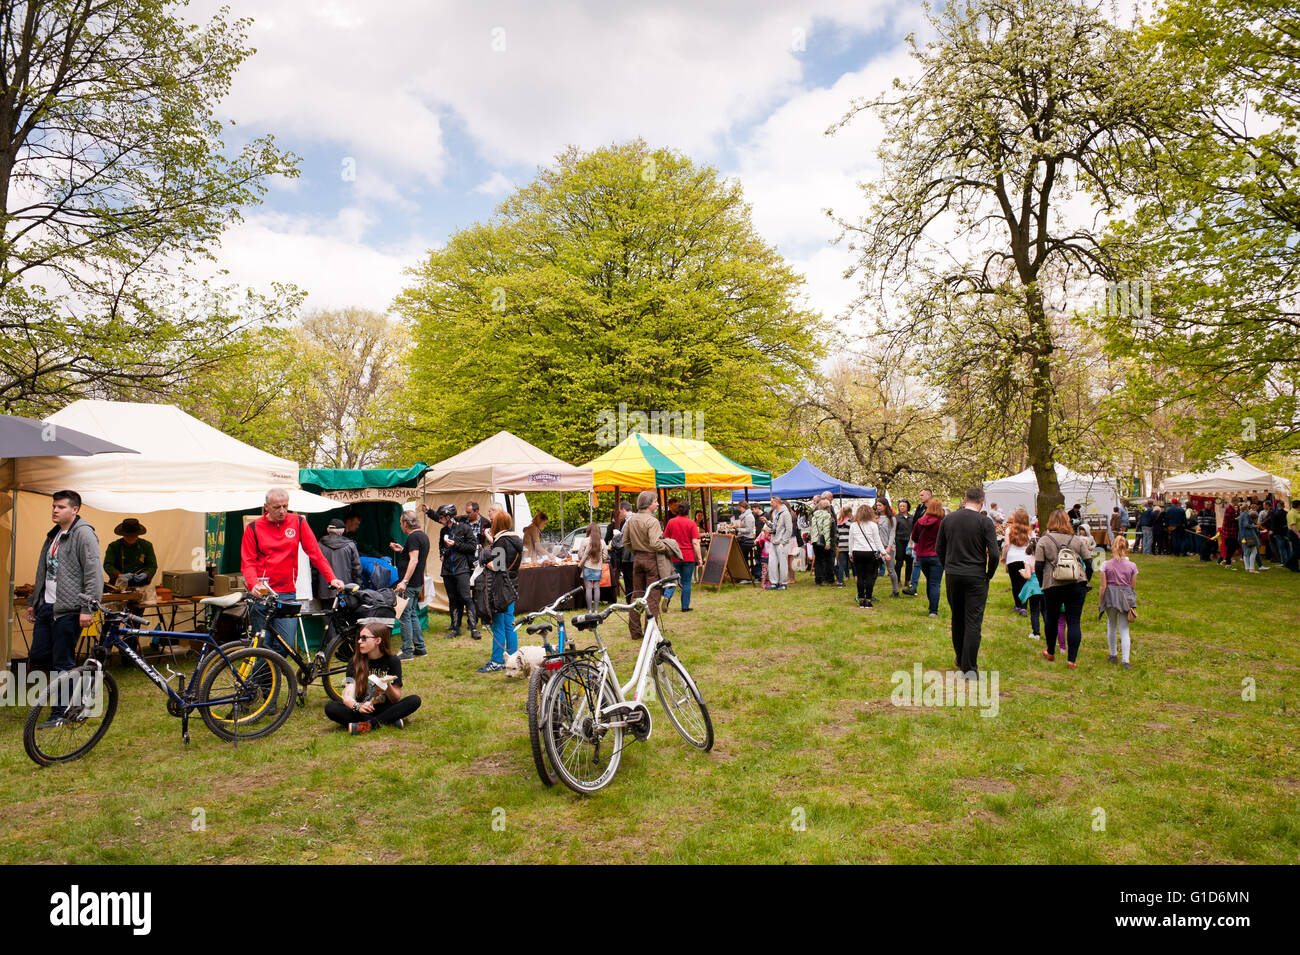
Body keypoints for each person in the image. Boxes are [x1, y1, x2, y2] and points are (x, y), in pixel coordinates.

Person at [27, 491, 102, 725]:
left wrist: (87, 608)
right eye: (53, 506)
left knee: (63, 662)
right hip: (48, 606)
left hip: (69, 608)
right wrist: (34, 602)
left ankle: (61, 713)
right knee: (39, 655)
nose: (55, 510)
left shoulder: (84, 534)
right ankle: (78, 694)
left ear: (75, 510)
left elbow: (93, 573)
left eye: (60, 507)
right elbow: (44, 571)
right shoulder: (55, 535)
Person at [241, 488, 343, 647]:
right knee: (261, 646)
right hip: (262, 593)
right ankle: (264, 672)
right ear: (266, 507)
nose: (282, 511)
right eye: (277, 507)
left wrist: (332, 577)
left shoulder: (298, 522)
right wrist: (253, 584)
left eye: (285, 506)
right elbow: (248, 561)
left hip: (286, 591)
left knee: (286, 644)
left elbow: (315, 553)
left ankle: (275, 668)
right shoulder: (253, 528)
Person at [936, 487, 1000, 677]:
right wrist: (989, 573)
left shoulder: (948, 519)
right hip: (976, 575)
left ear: (964, 499)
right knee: (973, 620)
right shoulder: (984, 521)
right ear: (982, 502)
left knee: (958, 616)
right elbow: (994, 553)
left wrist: (947, 566)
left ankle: (960, 657)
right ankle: (969, 666)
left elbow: (939, 548)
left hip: (954, 574)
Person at [323, 623, 421, 733]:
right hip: (363, 709)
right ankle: (388, 721)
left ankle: (367, 725)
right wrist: (357, 706)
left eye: (364, 638)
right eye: (359, 638)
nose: (359, 641)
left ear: (378, 641)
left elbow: (396, 698)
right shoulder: (354, 662)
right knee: (331, 708)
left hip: (385, 708)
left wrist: (387, 686)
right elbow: (347, 697)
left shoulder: (393, 661)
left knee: (414, 700)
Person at [1034, 508, 1092, 669]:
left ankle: (1051, 651)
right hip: (1077, 583)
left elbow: (1038, 565)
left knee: (1051, 618)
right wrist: (1086, 580)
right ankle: (1071, 660)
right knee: (1074, 621)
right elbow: (1089, 563)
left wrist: (1042, 582)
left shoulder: (1044, 541)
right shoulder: (1077, 540)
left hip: (1052, 584)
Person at [477, 509, 524, 672]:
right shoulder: (516, 539)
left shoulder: (501, 541)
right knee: (509, 624)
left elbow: (497, 565)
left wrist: (484, 560)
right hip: (512, 584)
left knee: (498, 624)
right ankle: (513, 658)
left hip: (499, 587)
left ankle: (496, 661)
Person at [624, 490, 672, 640]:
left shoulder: (631, 520)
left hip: (637, 559)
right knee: (652, 597)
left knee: (637, 595)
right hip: (651, 560)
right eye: (656, 501)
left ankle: (635, 631)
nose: (657, 504)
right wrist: (668, 547)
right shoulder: (652, 521)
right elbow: (655, 543)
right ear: (649, 503)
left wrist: (637, 552)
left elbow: (625, 542)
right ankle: (651, 634)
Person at [431, 504, 480, 640]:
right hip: (447, 570)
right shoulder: (443, 531)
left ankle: (473, 627)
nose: (439, 520)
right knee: (452, 599)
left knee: (465, 597)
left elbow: (471, 547)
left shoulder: (464, 528)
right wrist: (441, 553)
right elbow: (441, 545)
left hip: (462, 568)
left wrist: (455, 545)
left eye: (441, 517)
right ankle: (455, 627)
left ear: (448, 517)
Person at [391, 510, 430, 659]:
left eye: (401, 523)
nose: (400, 526)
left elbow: (414, 560)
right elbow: (414, 557)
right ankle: (420, 648)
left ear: (406, 523)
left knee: (404, 616)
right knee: (412, 614)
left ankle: (407, 651)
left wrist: (404, 582)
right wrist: (403, 550)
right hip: (417, 582)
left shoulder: (413, 537)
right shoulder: (422, 536)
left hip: (410, 583)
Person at [1097, 535, 1138, 669]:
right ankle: (1125, 661)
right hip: (1125, 598)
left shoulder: (1105, 565)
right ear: (1126, 549)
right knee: (1124, 629)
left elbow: (1103, 586)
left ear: (1113, 547)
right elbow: (1132, 585)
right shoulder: (1132, 566)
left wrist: (1100, 602)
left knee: (1111, 625)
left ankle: (1113, 654)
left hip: (1110, 598)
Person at [906, 499, 945, 616]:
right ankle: (933, 611)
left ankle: (931, 606)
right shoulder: (941, 523)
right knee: (935, 583)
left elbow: (915, 538)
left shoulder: (919, 521)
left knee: (930, 581)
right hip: (937, 556)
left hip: (922, 556)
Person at [848, 503, 886, 608]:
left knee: (860, 576)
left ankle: (861, 599)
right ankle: (868, 600)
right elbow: (877, 541)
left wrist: (850, 553)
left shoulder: (853, 525)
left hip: (857, 551)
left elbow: (850, 541)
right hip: (870, 552)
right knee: (869, 576)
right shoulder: (873, 525)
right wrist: (884, 553)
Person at [664, 503, 701, 611]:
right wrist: (699, 558)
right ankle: (685, 607)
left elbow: (665, 538)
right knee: (686, 582)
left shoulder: (671, 522)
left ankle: (667, 596)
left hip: (675, 556)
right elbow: (695, 542)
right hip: (688, 556)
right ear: (688, 511)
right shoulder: (691, 523)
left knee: (673, 579)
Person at [103, 518, 157, 588]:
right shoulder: (114, 546)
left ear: (138, 535)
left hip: (141, 585)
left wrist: (146, 574)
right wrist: (119, 575)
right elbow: (108, 565)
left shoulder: (146, 546)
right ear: (123, 534)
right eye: (128, 536)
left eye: (134, 535)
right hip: (118, 585)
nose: (131, 538)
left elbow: (152, 565)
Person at [573, 521, 609, 614]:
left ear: (588, 530)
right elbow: (605, 557)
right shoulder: (602, 541)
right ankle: (596, 609)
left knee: (588, 588)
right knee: (597, 587)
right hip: (598, 567)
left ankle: (589, 610)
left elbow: (580, 555)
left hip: (587, 566)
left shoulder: (584, 541)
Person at [1002, 509, 1033, 617]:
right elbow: (1032, 546)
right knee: (1025, 583)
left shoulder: (1009, 530)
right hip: (1026, 559)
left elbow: (1006, 545)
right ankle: (1024, 607)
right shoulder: (1030, 532)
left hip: (1012, 559)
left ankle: (1018, 605)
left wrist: (1003, 557)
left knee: (1015, 584)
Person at [906, 488, 935, 592]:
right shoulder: (920, 507)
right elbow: (915, 522)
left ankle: (929, 584)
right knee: (917, 561)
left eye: (922, 495)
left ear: (929, 495)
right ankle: (913, 586)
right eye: (920, 495)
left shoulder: (934, 507)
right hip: (919, 537)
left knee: (921, 562)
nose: (920, 497)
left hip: (930, 539)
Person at [604, 500, 634, 599]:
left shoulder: (629, 521)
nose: (620, 515)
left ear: (623, 510)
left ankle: (630, 603)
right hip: (633, 555)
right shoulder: (633, 519)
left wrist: (618, 536)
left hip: (628, 556)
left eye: (620, 512)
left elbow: (626, 540)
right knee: (632, 581)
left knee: (629, 581)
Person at [874, 499, 900, 597]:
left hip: (889, 546)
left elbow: (892, 534)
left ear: (885, 506)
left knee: (890, 569)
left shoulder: (892, 518)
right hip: (877, 547)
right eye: (877, 505)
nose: (878, 507)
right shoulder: (876, 518)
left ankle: (895, 591)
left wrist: (888, 547)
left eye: (880, 505)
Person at [767, 495, 792, 591]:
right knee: (772, 562)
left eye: (772, 502)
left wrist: (783, 542)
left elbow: (789, 529)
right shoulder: (775, 513)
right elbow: (776, 527)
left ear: (777, 502)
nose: (770, 504)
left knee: (783, 563)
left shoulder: (786, 513)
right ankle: (774, 583)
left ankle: (783, 583)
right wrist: (767, 523)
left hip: (781, 542)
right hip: (774, 541)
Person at [811, 498, 835, 586]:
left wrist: (813, 539)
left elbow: (813, 529)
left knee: (818, 560)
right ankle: (830, 579)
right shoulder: (827, 515)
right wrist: (828, 543)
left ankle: (818, 580)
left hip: (815, 540)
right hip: (824, 540)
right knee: (828, 560)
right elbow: (826, 530)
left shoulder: (814, 515)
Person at [734, 500, 757, 583]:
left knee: (744, 558)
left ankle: (747, 577)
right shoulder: (744, 516)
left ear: (744, 507)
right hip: (743, 539)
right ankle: (744, 576)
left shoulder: (749, 517)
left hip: (747, 540)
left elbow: (748, 530)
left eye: (740, 508)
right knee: (743, 558)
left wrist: (737, 528)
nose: (739, 509)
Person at [894, 501, 914, 590]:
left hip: (909, 542)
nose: (902, 507)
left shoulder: (912, 517)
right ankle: (898, 580)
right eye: (900, 506)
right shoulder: (896, 518)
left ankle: (907, 580)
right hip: (899, 542)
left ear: (907, 507)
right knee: (899, 562)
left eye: (903, 506)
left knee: (909, 562)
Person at [1239, 507, 1262, 573]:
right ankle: (1251, 568)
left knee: (1246, 552)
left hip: (1243, 536)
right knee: (1254, 551)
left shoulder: (1241, 515)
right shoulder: (1245, 515)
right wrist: (1254, 526)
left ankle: (1247, 568)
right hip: (1249, 536)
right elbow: (1246, 525)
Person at [834, 506, 853, 587]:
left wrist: (837, 543)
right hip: (849, 544)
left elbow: (837, 536)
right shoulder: (850, 523)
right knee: (852, 562)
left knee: (842, 563)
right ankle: (856, 576)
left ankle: (840, 580)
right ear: (849, 513)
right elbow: (852, 534)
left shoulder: (839, 523)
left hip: (841, 545)